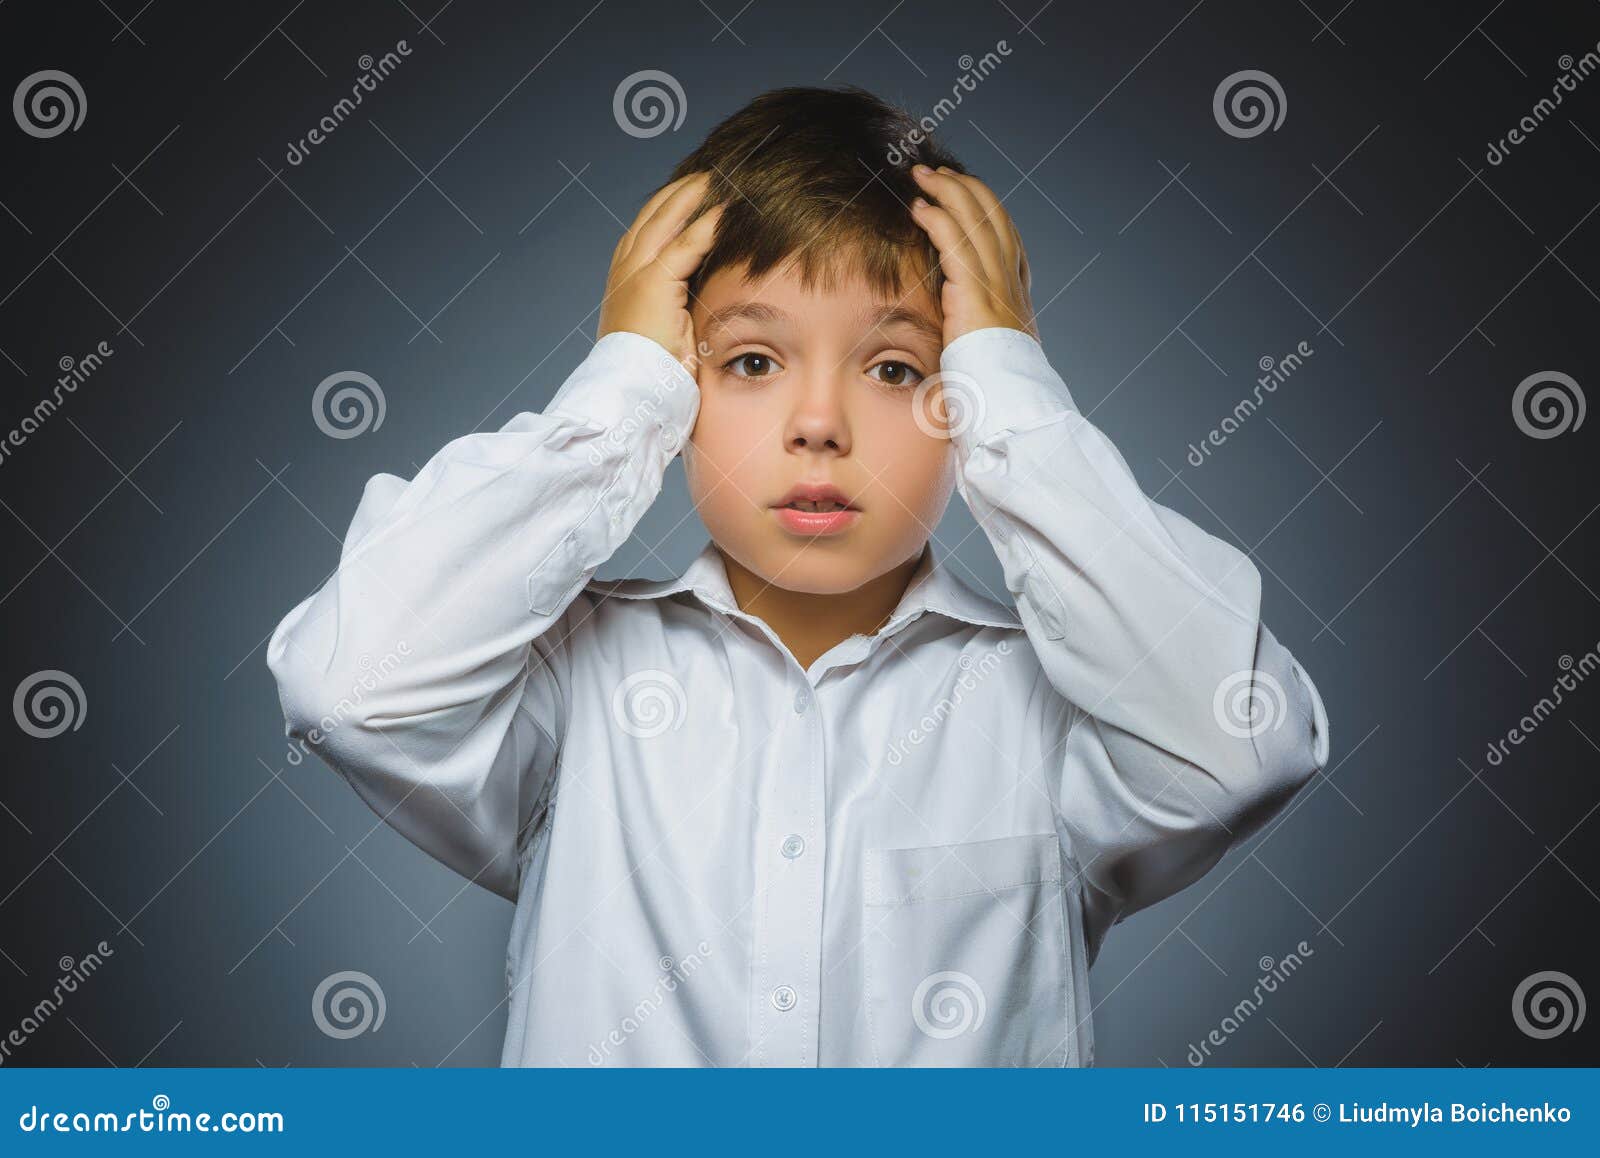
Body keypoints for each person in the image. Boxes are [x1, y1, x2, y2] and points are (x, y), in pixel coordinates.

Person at [267, 86, 1330, 1067]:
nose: (819, 424)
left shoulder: (1049, 708)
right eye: (752, 362)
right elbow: (347, 690)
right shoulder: (567, 684)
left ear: (961, 406)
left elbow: (1243, 748)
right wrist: (619, 393)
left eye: (895, 369)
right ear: (679, 389)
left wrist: (1010, 385)